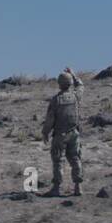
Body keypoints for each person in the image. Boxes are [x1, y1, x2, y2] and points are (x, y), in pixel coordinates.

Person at [42, 67, 83, 196]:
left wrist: (45, 132)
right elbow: (81, 85)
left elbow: (50, 119)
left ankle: (56, 188)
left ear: (59, 84)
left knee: (58, 160)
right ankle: (78, 186)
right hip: (74, 133)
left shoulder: (56, 100)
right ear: (70, 83)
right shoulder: (76, 96)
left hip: (60, 135)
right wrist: (73, 74)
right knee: (75, 158)